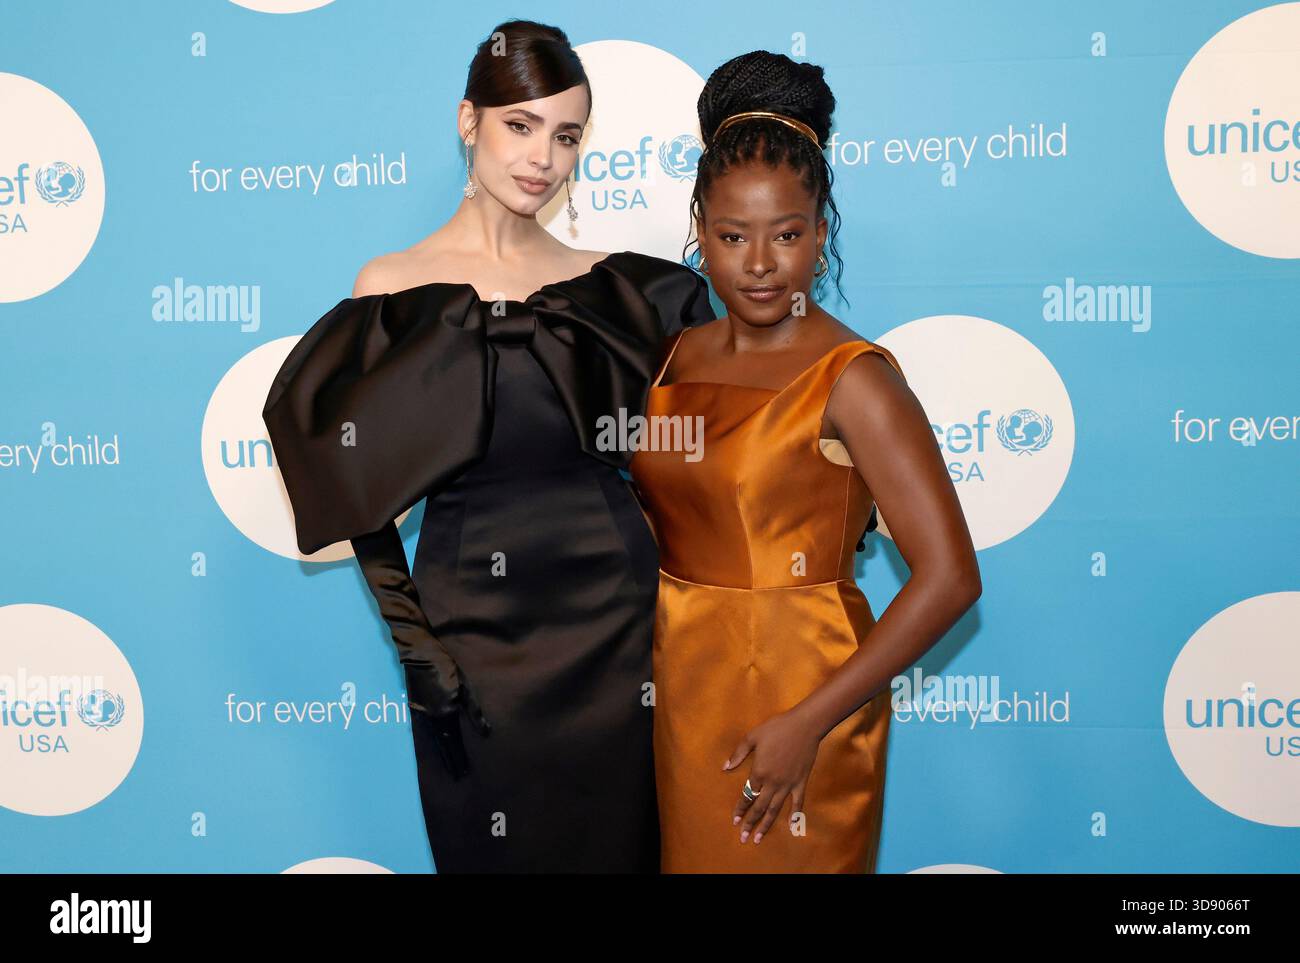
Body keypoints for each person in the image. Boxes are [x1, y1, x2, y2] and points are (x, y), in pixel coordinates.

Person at [262, 19, 713, 873]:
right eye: (521, 125)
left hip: (621, 627)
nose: (543, 156)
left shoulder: (623, 290)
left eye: (567, 135)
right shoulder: (392, 287)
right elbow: (356, 487)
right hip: (471, 631)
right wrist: (413, 641)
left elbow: (699, 454)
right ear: (468, 120)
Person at [629, 51, 981, 873]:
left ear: (821, 235)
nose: (759, 263)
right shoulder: (675, 356)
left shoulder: (855, 379)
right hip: (688, 693)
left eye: (786, 234)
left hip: (806, 700)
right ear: (699, 234)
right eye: (732, 236)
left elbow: (951, 578)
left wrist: (810, 721)